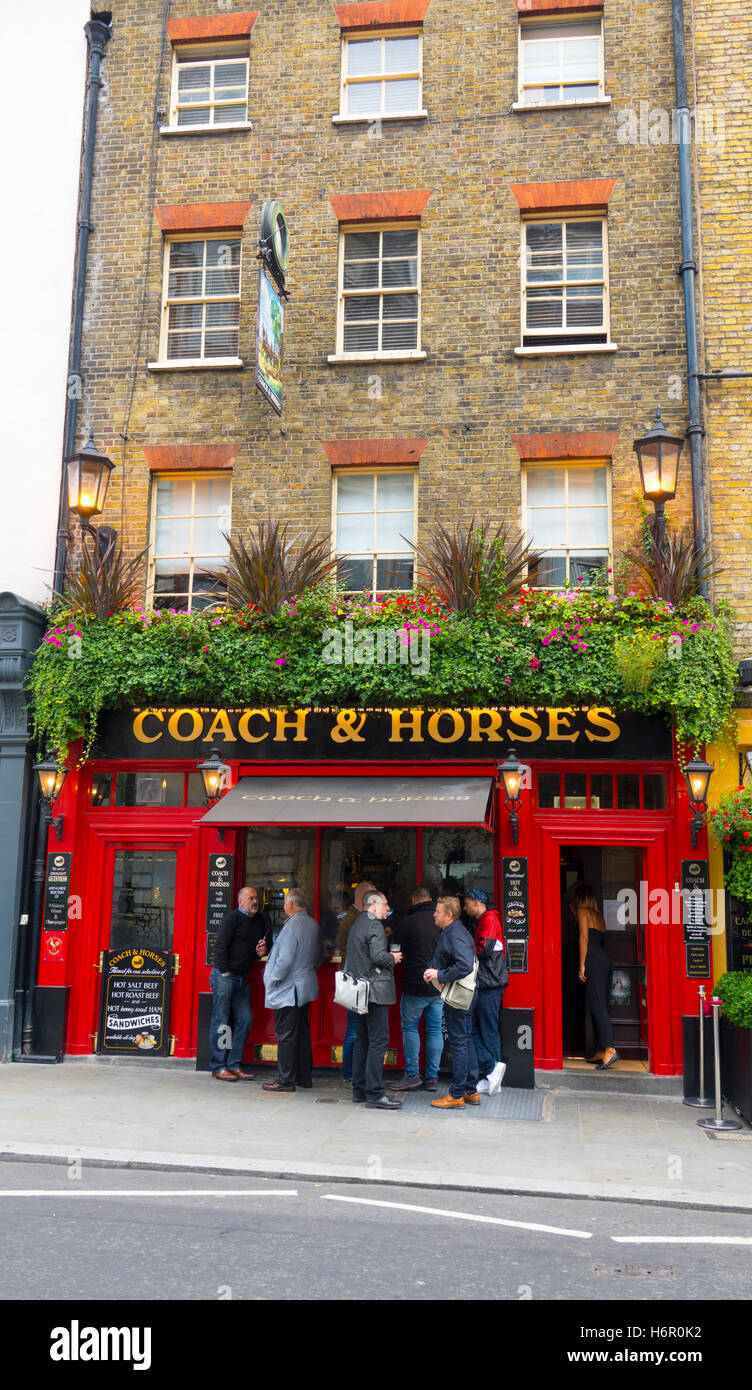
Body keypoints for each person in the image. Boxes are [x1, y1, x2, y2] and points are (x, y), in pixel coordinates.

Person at [345, 889, 403, 1110]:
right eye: (385, 904)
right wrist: (393, 958)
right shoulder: (375, 925)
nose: (388, 908)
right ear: (373, 905)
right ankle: (376, 1094)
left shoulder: (358, 923)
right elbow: (378, 957)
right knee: (378, 1042)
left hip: (358, 992)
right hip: (375, 992)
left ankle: (359, 1090)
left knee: (362, 1041)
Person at [262, 889, 324, 1092]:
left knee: (286, 1035)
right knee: (302, 1033)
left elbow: (284, 960)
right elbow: (319, 957)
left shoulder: (291, 927)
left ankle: (285, 1080)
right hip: (305, 987)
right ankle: (303, 1077)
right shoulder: (313, 924)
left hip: (289, 989)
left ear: (290, 905)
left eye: (285, 903)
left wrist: (272, 980)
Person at [423, 895, 480, 1109]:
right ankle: (470, 1090)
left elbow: (464, 965)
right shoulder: (456, 931)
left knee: (459, 1043)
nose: (434, 914)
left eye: (437, 911)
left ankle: (456, 1094)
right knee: (466, 1040)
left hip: (458, 997)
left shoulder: (454, 934)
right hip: (466, 996)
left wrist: (439, 974)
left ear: (448, 915)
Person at [209, 885, 268, 1082]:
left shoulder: (260, 920)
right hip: (225, 976)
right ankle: (219, 1066)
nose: (255, 901)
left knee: (246, 1019)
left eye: (256, 898)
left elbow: (261, 947)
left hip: (242, 977)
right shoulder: (232, 918)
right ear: (240, 901)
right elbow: (220, 947)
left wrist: (262, 952)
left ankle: (234, 1065)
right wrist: (225, 973)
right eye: (251, 898)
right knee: (222, 1021)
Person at [388, 884, 443, 1093]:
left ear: (413, 900)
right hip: (438, 983)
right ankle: (432, 1078)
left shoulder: (407, 922)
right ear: (430, 899)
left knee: (410, 1028)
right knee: (434, 1030)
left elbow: (396, 948)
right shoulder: (440, 919)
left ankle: (412, 1075)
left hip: (414, 983)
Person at [464, 887, 508, 1095]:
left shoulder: (488, 920)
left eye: (467, 903)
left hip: (489, 984)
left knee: (484, 1031)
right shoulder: (486, 920)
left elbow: (484, 950)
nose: (465, 907)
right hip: (490, 984)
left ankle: (492, 1073)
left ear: (476, 902)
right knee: (487, 1031)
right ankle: (492, 1078)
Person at [574, 882, 619, 1070]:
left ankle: (609, 1049)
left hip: (592, 958)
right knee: (600, 1004)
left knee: (597, 1005)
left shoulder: (582, 912)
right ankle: (601, 1050)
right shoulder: (599, 916)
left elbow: (584, 937)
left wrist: (582, 964)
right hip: (604, 958)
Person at [336, 880, 376, 1084]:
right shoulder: (354, 920)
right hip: (355, 980)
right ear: (364, 899)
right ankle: (350, 1073)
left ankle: (353, 1073)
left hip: (357, 978)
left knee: (357, 1030)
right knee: (354, 1031)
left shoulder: (356, 918)